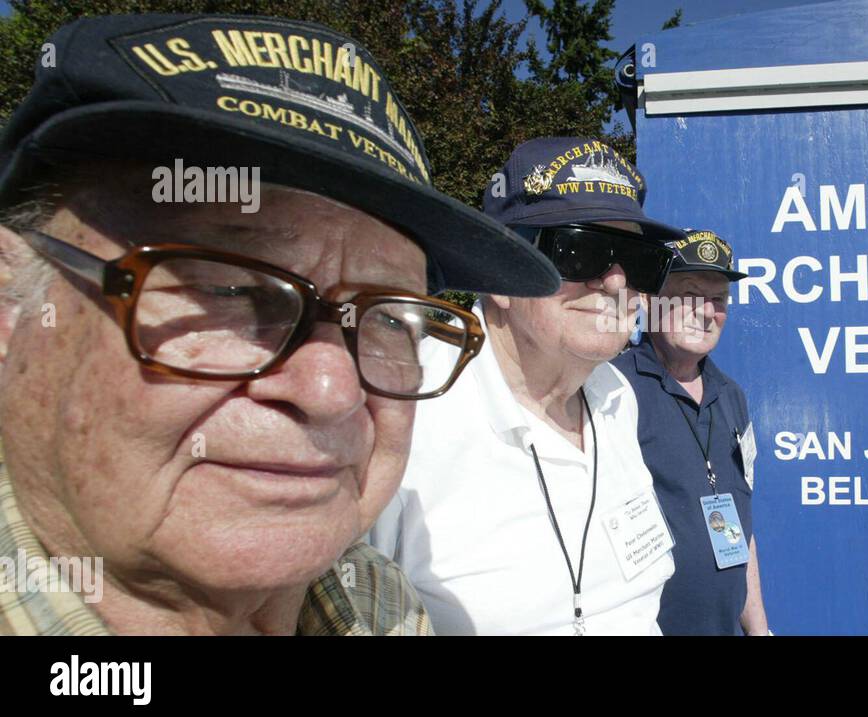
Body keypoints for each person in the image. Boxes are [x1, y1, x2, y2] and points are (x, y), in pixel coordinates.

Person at [0, 14, 558, 636]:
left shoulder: (379, 602)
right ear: (11, 302)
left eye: (388, 320)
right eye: (229, 289)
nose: (332, 392)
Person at [370, 137, 684, 635]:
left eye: (640, 259)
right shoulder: (404, 413)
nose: (618, 283)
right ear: (501, 273)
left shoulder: (616, 397)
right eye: (581, 251)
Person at [612, 229, 770, 635]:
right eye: (689, 294)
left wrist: (760, 631)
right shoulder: (612, 390)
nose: (705, 312)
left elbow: (741, 529)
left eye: (718, 300)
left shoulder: (731, 396)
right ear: (649, 299)